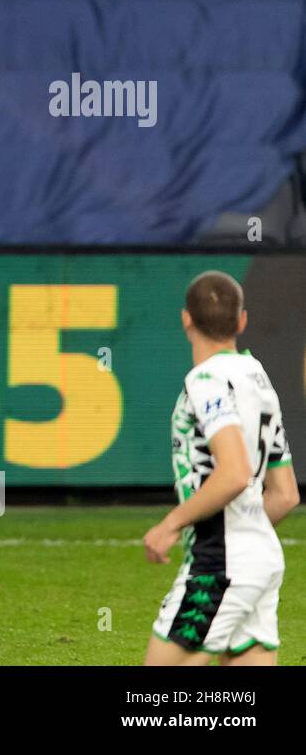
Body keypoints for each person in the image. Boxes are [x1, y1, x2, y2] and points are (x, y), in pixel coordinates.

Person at [143, 270, 297, 665]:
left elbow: (233, 473)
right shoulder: (259, 378)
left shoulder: (205, 381)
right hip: (262, 560)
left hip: (220, 565)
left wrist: (169, 524)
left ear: (186, 319)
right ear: (241, 321)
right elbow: (285, 495)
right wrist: (247, 533)